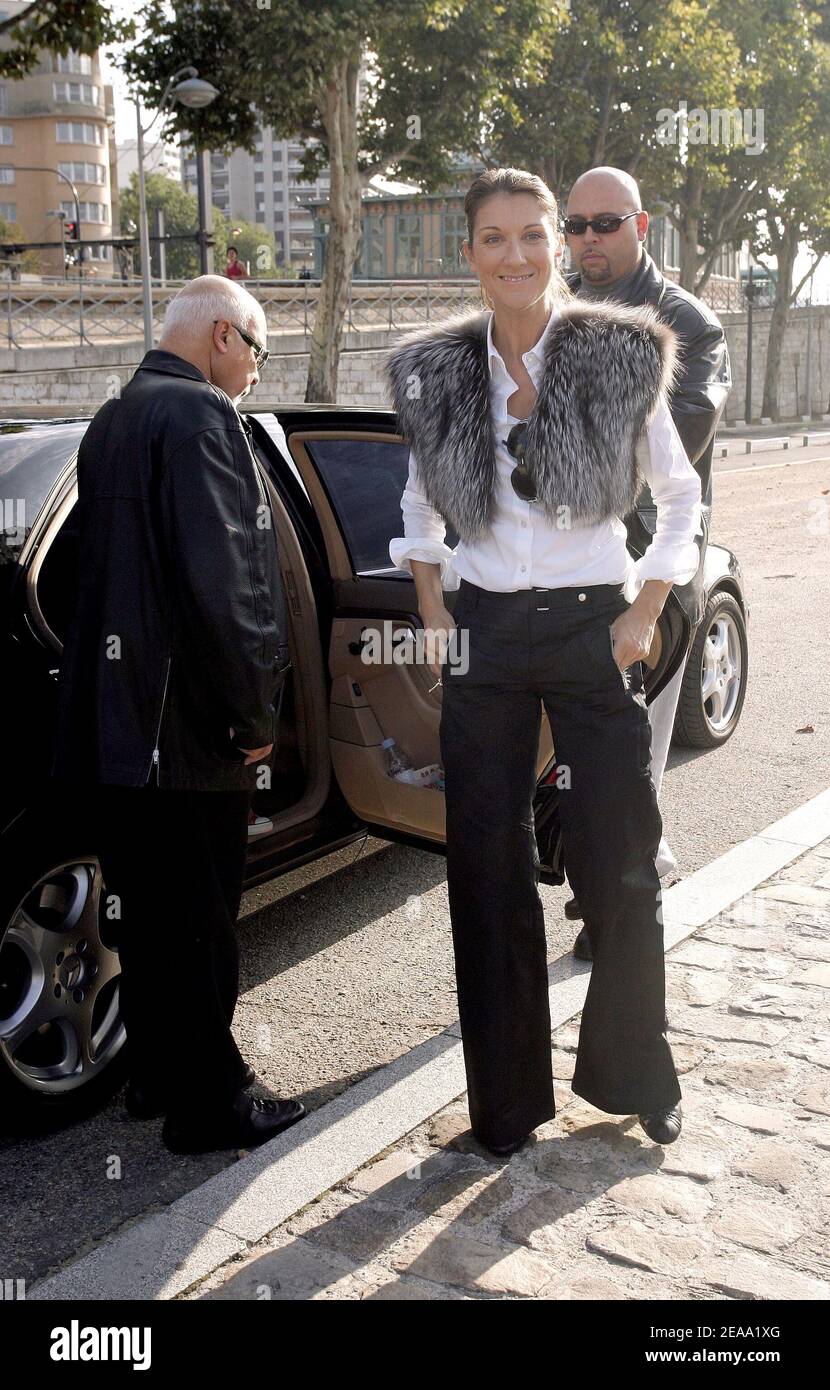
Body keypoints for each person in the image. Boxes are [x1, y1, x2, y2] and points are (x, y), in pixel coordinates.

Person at [386, 168, 703, 1154]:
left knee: (616, 863)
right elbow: (416, 509)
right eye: (494, 237)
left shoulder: (614, 352)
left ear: (556, 247)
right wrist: (435, 614)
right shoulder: (441, 369)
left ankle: (633, 1074)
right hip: (483, 628)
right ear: (470, 251)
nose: (516, 254)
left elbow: (678, 495)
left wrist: (641, 612)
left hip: (590, 627)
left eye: (532, 234)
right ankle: (504, 1105)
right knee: (483, 870)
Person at [52, 274, 305, 1155]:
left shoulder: (114, 415)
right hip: (184, 733)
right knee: (198, 924)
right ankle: (215, 1105)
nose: (256, 378)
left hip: (118, 731)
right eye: (258, 356)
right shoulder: (202, 419)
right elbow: (227, 584)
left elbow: (86, 567)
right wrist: (252, 712)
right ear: (225, 338)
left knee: (150, 919)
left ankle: (158, 1076)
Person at [563, 167, 731, 955]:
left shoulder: (689, 324)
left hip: (648, 564)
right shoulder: (555, 309)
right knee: (589, 748)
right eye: (576, 225)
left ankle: (624, 903)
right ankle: (621, 873)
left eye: (606, 222)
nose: (589, 239)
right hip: (564, 559)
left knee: (636, 746)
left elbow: (682, 437)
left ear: (642, 224)